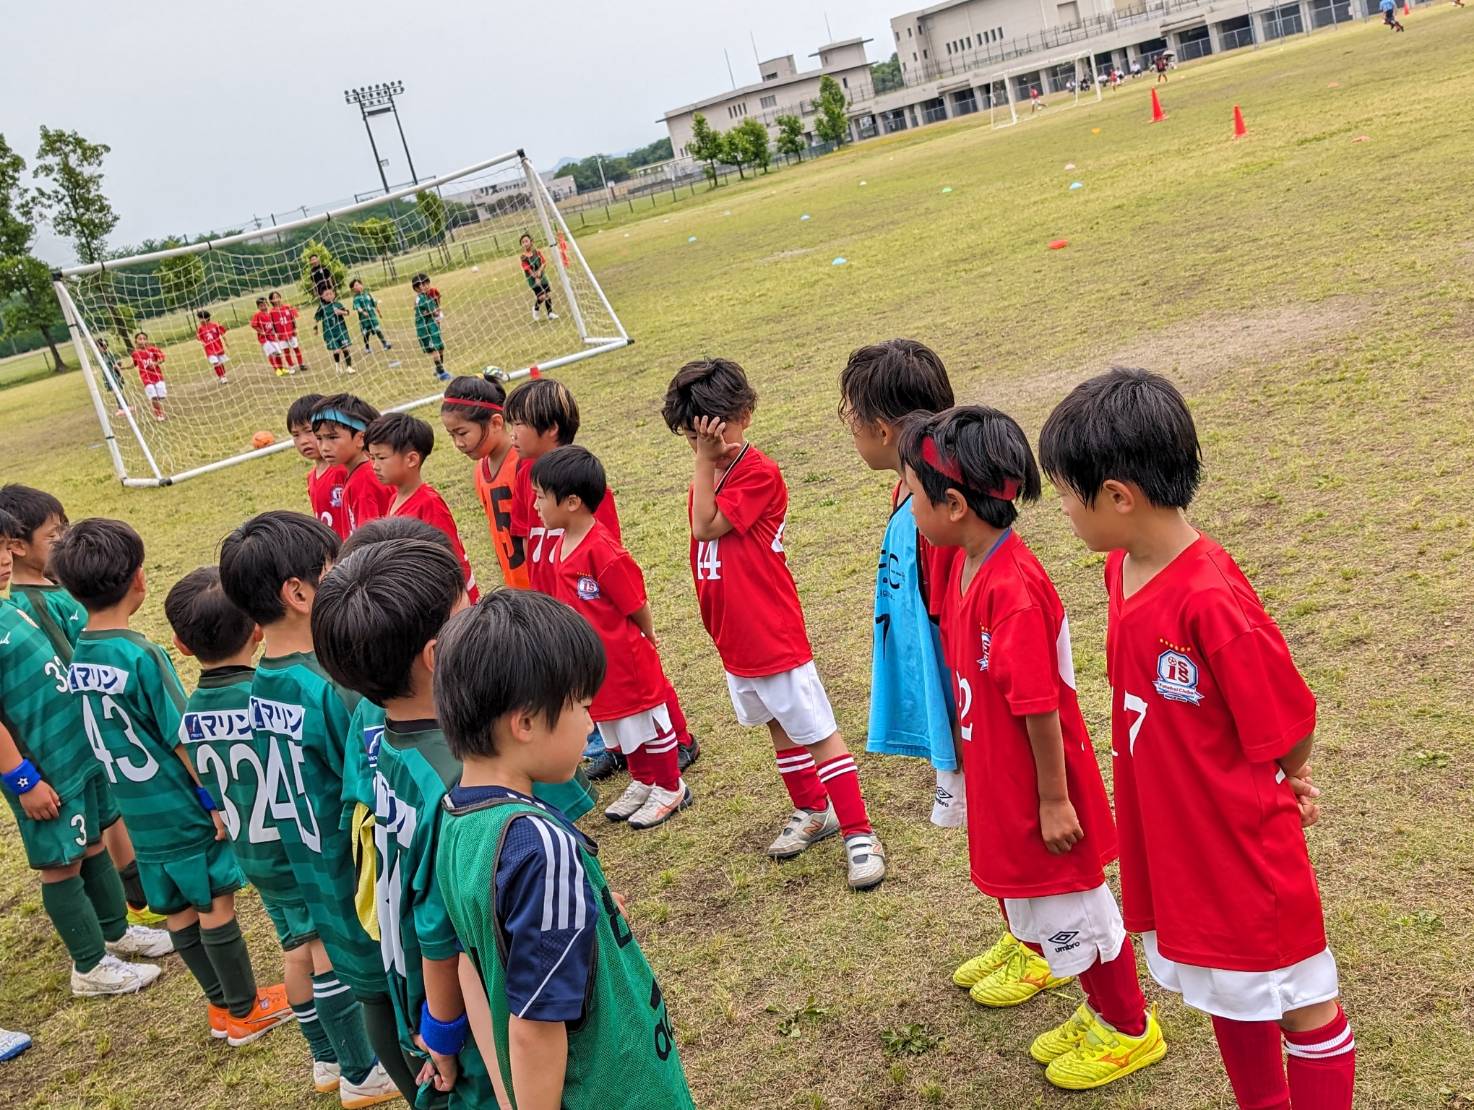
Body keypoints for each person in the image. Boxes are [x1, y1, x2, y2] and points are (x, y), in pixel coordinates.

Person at [1039, 368, 1355, 1109]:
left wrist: (1287, 775)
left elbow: (1289, 724)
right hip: (1175, 832)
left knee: (1301, 996)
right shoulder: (1121, 569)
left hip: (1243, 843)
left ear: (1119, 496)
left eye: (1066, 495)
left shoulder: (1212, 600)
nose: (1061, 512)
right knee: (1224, 985)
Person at [899, 407, 1165, 1089]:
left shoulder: (1011, 587)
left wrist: (1054, 798)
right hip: (1000, 776)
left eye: (914, 492)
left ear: (954, 505)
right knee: (1042, 909)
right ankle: (1098, 1010)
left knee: (1075, 908)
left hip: (1040, 788)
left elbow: (1038, 704)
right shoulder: (964, 559)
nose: (907, 503)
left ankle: (1130, 1028)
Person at [432, 590, 696, 1109]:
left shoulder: (455, 818)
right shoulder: (539, 849)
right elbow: (536, 1026)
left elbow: (473, 965)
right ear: (525, 723)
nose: (591, 723)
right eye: (580, 706)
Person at [49, 519, 292, 1044]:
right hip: (178, 805)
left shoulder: (79, 655)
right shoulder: (139, 654)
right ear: (138, 580)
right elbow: (182, 737)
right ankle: (246, 1009)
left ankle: (219, 1008)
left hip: (135, 811)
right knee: (214, 904)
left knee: (177, 908)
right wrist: (211, 800)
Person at [662, 358, 883, 889]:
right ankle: (813, 809)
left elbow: (705, 526)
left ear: (744, 414)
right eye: (696, 431)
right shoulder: (711, 470)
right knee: (780, 729)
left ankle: (859, 833)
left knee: (816, 732)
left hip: (770, 630)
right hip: (734, 636)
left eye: (716, 425)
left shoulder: (757, 471)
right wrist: (706, 461)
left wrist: (703, 462)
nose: (708, 438)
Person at [217, 511, 409, 1105]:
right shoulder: (331, 686)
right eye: (334, 572)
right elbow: (375, 784)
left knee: (368, 989)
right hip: (362, 877)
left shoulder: (261, 683)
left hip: (314, 874)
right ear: (299, 594)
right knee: (392, 992)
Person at [311, 538, 495, 1107]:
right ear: (439, 656)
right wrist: (443, 1030)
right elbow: (443, 933)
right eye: (470, 610)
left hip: (402, 979)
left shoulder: (382, 741)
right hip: (466, 1012)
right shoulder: (461, 777)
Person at [166, 568, 350, 1086]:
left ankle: (323, 1058)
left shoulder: (192, 713)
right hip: (299, 845)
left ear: (179, 645)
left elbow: (210, 784)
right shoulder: (264, 697)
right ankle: (358, 1062)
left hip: (254, 851)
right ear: (255, 629)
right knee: (327, 950)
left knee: (295, 949)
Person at [0, 509, 171, 999]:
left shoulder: (9, 604)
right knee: (62, 863)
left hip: (76, 753)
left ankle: (115, 931)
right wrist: (22, 780)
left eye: (5, 546)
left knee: (93, 841)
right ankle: (89, 965)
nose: (5, 558)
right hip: (41, 769)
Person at [508, 377, 700, 779]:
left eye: (519, 424)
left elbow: (604, 548)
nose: (512, 434)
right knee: (587, 674)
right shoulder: (526, 474)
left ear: (551, 428)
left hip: (595, 602)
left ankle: (677, 737)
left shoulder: (582, 482)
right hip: (554, 593)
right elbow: (529, 538)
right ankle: (616, 744)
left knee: (636, 668)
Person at [836, 340, 964, 828]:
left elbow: (958, 620)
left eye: (853, 424)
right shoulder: (912, 490)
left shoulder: (939, 513)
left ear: (883, 430)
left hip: (964, 713)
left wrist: (958, 723)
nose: (853, 435)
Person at [533, 446, 693, 828]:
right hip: (593, 660)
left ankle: (671, 786)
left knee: (647, 721)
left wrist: (648, 637)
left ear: (572, 502)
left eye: (541, 497)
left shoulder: (602, 550)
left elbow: (634, 602)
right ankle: (643, 781)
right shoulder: (560, 546)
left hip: (625, 657)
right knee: (620, 723)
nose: (535, 505)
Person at [363, 412, 479, 600]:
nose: (374, 466)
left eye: (381, 458)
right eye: (372, 458)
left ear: (411, 459)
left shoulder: (428, 503)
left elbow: (451, 558)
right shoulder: (394, 499)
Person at [439, 375, 530, 590]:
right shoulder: (480, 470)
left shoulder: (524, 464)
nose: (458, 444)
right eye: (452, 435)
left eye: (462, 433)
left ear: (496, 422)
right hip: (516, 585)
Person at [312, 394, 392, 533]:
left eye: (332, 437)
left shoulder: (364, 481)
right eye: (319, 438)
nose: (324, 447)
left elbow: (369, 540)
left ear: (361, 438)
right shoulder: (359, 475)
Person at [287, 394, 347, 538]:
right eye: (296, 435)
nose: (303, 441)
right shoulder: (311, 477)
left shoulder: (343, 469)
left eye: (308, 431)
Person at [412, 273, 450, 383]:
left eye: (425, 284)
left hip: (432, 325)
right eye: (420, 286)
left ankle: (439, 369)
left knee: (441, 347)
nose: (424, 286)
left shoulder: (426, 297)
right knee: (434, 349)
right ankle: (442, 373)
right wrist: (438, 312)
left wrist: (436, 304)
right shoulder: (422, 298)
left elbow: (429, 310)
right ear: (416, 288)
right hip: (424, 328)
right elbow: (434, 312)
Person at [313, 287, 355, 375]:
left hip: (341, 330)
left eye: (331, 293)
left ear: (334, 294)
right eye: (326, 294)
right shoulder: (322, 307)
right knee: (336, 350)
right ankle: (337, 365)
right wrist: (315, 328)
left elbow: (347, 312)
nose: (329, 296)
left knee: (345, 348)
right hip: (329, 333)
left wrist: (341, 312)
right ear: (322, 297)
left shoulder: (338, 304)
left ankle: (349, 367)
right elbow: (317, 317)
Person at [518, 233, 558, 322]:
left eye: (526, 241)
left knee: (547, 295)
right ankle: (535, 309)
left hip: (542, 276)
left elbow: (544, 262)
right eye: (523, 242)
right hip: (533, 280)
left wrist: (540, 271)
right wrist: (536, 277)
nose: (525, 243)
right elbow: (528, 269)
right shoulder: (523, 257)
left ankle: (550, 313)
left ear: (531, 242)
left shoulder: (537, 252)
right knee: (541, 297)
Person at [129, 332, 167, 421]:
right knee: (153, 397)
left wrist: (155, 363)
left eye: (144, 339)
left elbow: (162, 358)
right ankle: (159, 415)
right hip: (146, 378)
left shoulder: (153, 349)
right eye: (140, 339)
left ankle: (158, 406)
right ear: (136, 341)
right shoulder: (135, 353)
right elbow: (134, 364)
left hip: (157, 376)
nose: (142, 341)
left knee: (161, 396)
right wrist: (122, 368)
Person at [270, 291, 308, 372]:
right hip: (281, 335)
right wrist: (275, 334)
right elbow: (272, 325)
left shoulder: (287, 307)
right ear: (271, 301)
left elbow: (293, 319)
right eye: (274, 298)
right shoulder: (271, 312)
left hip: (291, 332)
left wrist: (295, 328)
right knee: (286, 351)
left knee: (296, 348)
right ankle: (291, 366)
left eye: (277, 296)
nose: (276, 299)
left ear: (280, 297)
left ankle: (301, 364)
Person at [349, 280, 391, 353]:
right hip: (364, 320)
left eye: (359, 284)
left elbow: (374, 304)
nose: (358, 286)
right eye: (356, 285)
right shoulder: (356, 298)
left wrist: (379, 312)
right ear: (353, 289)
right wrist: (363, 312)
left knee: (378, 330)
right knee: (366, 334)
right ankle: (367, 347)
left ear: (362, 285)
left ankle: (385, 344)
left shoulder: (368, 294)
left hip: (372, 316)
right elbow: (358, 307)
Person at [250, 297, 287, 376]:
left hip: (273, 337)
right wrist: (261, 331)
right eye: (261, 306)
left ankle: (281, 368)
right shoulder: (257, 315)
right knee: (271, 353)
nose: (263, 307)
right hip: (264, 339)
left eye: (264, 305)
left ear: (267, 304)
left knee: (278, 353)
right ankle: (276, 369)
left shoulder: (271, 313)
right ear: (258, 307)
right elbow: (253, 325)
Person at [94, 337, 128, 415]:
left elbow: (117, 364)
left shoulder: (109, 354)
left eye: (103, 346)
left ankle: (123, 407)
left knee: (118, 391)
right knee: (116, 392)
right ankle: (123, 406)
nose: (101, 348)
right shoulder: (100, 356)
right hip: (108, 377)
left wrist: (119, 367)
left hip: (114, 375)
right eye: (99, 347)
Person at [195, 310, 229, 384]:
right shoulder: (200, 329)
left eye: (201, 318)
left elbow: (222, 333)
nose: (200, 320)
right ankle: (221, 377)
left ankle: (223, 375)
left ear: (206, 318)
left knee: (220, 362)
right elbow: (199, 338)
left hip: (218, 347)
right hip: (209, 349)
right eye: (199, 319)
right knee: (215, 363)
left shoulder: (215, 325)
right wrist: (203, 342)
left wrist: (226, 342)